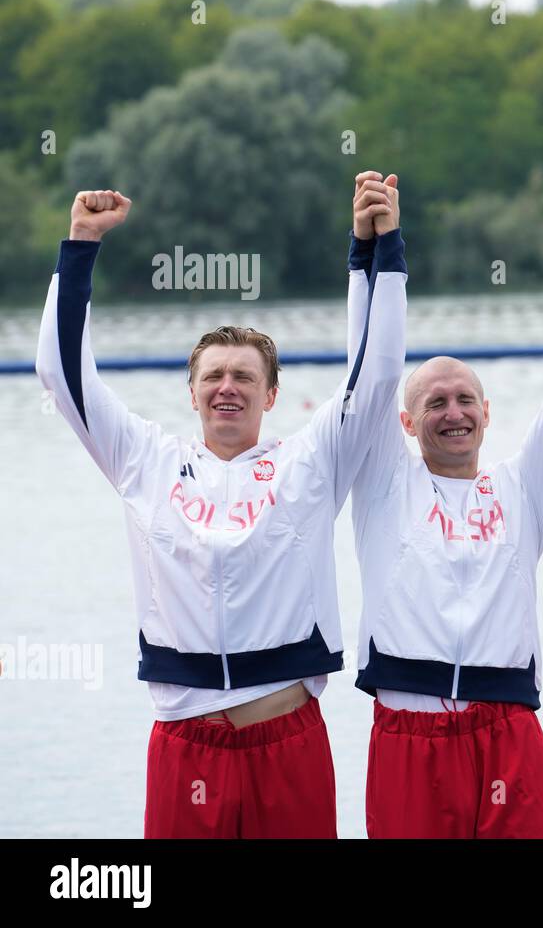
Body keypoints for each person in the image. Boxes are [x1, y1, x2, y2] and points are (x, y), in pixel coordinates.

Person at [34, 172, 407, 837]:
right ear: (193, 393)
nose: (227, 388)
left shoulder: (310, 461)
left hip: (286, 741)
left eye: (244, 377)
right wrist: (81, 244)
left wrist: (375, 249)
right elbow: (64, 375)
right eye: (213, 376)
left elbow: (375, 377)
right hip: (186, 745)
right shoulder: (143, 458)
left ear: (270, 397)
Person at [353, 198, 543, 838]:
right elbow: (371, 372)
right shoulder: (384, 482)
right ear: (407, 424)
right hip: (410, 737)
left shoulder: (522, 489)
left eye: (466, 399)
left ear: (488, 414)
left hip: (508, 728)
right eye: (435, 402)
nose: (453, 411)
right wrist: (376, 252)